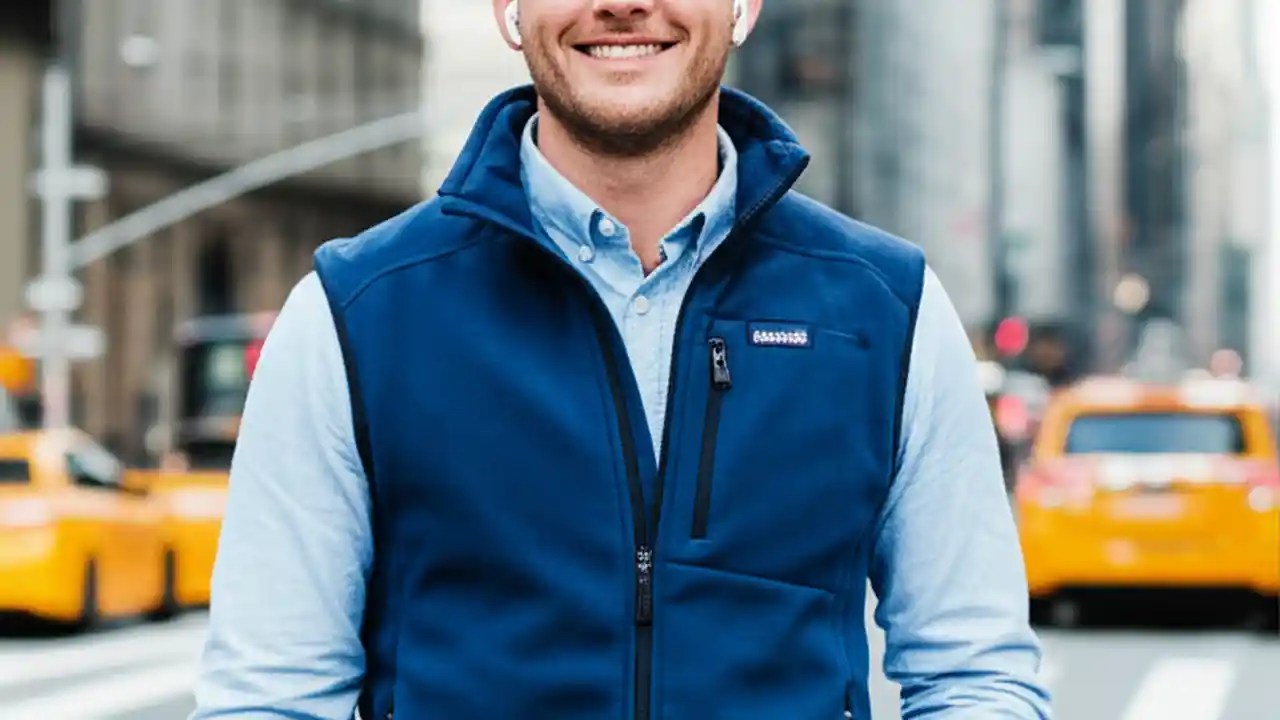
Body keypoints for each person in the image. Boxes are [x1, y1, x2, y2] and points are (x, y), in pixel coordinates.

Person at [191, 0, 1053, 718]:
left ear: (745, 5)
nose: (623, 4)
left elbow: (975, 677)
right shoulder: (353, 315)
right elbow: (269, 697)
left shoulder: (888, 310)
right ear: (507, 7)